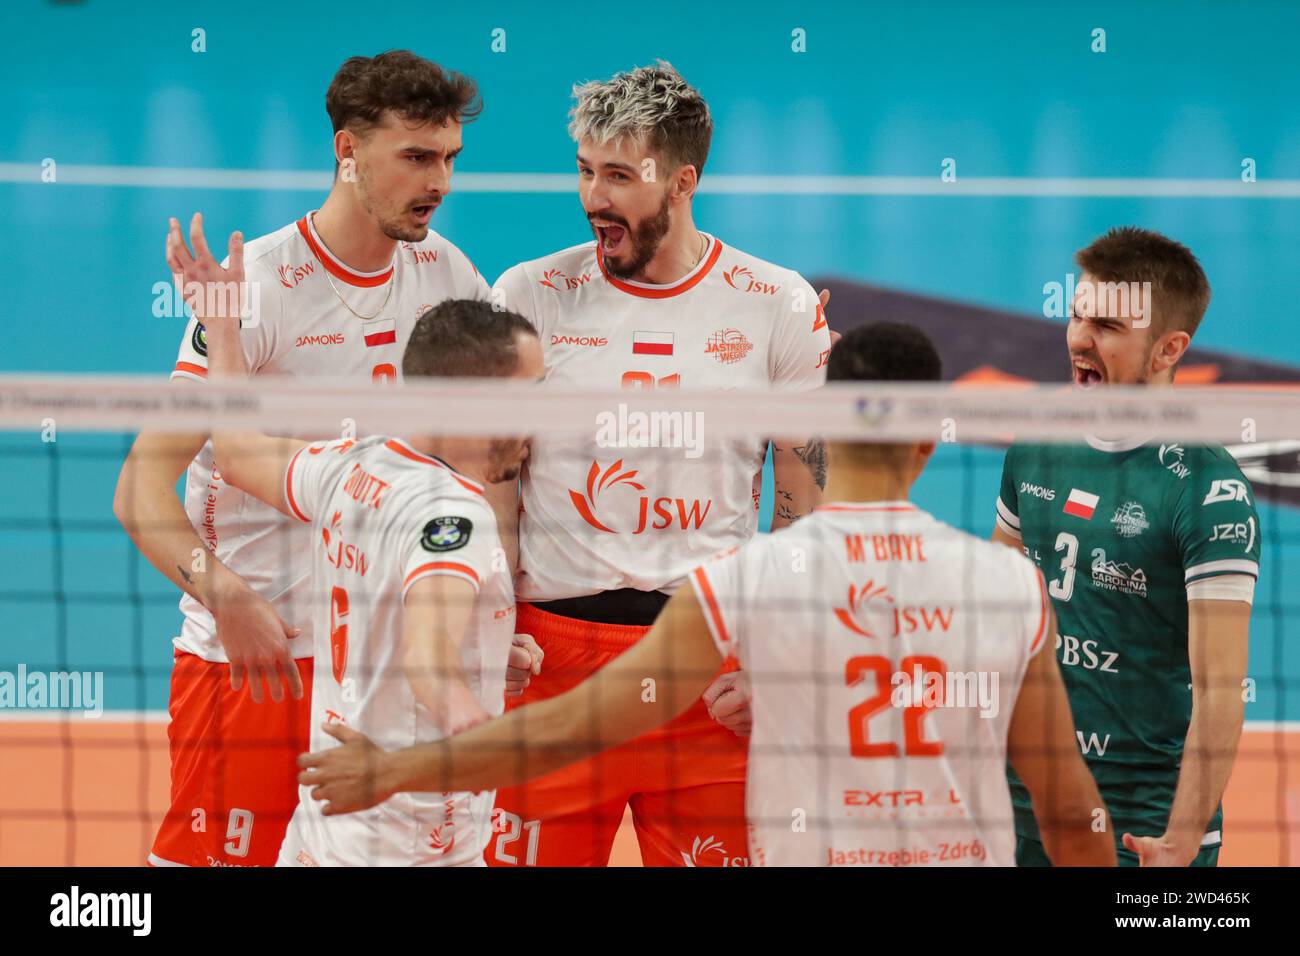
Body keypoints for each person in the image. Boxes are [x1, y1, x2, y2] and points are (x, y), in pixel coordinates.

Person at [298, 323, 1117, 867]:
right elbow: (1070, 808)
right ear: (931, 440)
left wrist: (394, 772)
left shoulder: (743, 585)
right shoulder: (1011, 586)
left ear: (820, 431)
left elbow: (562, 729)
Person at [113, 50, 491, 867]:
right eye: (417, 158)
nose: (441, 183)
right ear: (347, 152)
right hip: (256, 664)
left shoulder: (450, 276)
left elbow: (487, 457)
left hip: (372, 670)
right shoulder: (257, 287)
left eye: (450, 158)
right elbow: (141, 485)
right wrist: (228, 596)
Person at [483, 62, 833, 866]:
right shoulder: (528, 295)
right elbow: (495, 484)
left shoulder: (776, 303)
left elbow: (807, 503)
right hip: (551, 667)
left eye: (618, 176)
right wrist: (488, 624)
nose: (593, 198)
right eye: (584, 172)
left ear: (682, 181)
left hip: (708, 673)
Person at [199, 261, 543, 863]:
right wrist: (480, 725)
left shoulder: (348, 467)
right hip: (411, 841)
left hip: (322, 836)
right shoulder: (456, 520)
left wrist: (223, 329)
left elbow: (232, 451)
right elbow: (427, 661)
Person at [991, 227, 1261, 867]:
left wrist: (1183, 837)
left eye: (1107, 326)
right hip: (1027, 798)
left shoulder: (1207, 491)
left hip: (1143, 821)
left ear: (1169, 349)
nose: (1079, 339)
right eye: (1077, 315)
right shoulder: (1036, 445)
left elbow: (1220, 690)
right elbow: (995, 613)